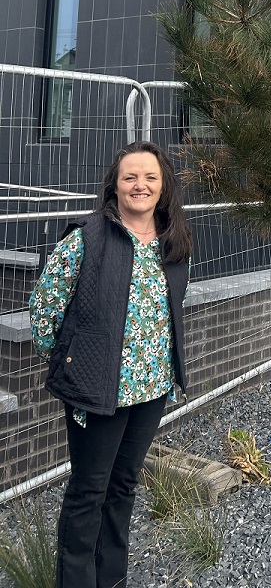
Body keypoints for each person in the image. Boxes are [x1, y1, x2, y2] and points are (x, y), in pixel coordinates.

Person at [30, 141, 192, 588]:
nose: (140, 185)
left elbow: (175, 307)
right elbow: (44, 308)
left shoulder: (173, 242)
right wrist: (72, 357)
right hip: (98, 390)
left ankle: (112, 579)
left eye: (150, 177)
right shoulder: (87, 238)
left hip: (153, 387)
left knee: (123, 487)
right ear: (115, 186)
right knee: (89, 493)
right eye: (130, 177)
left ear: (163, 187)